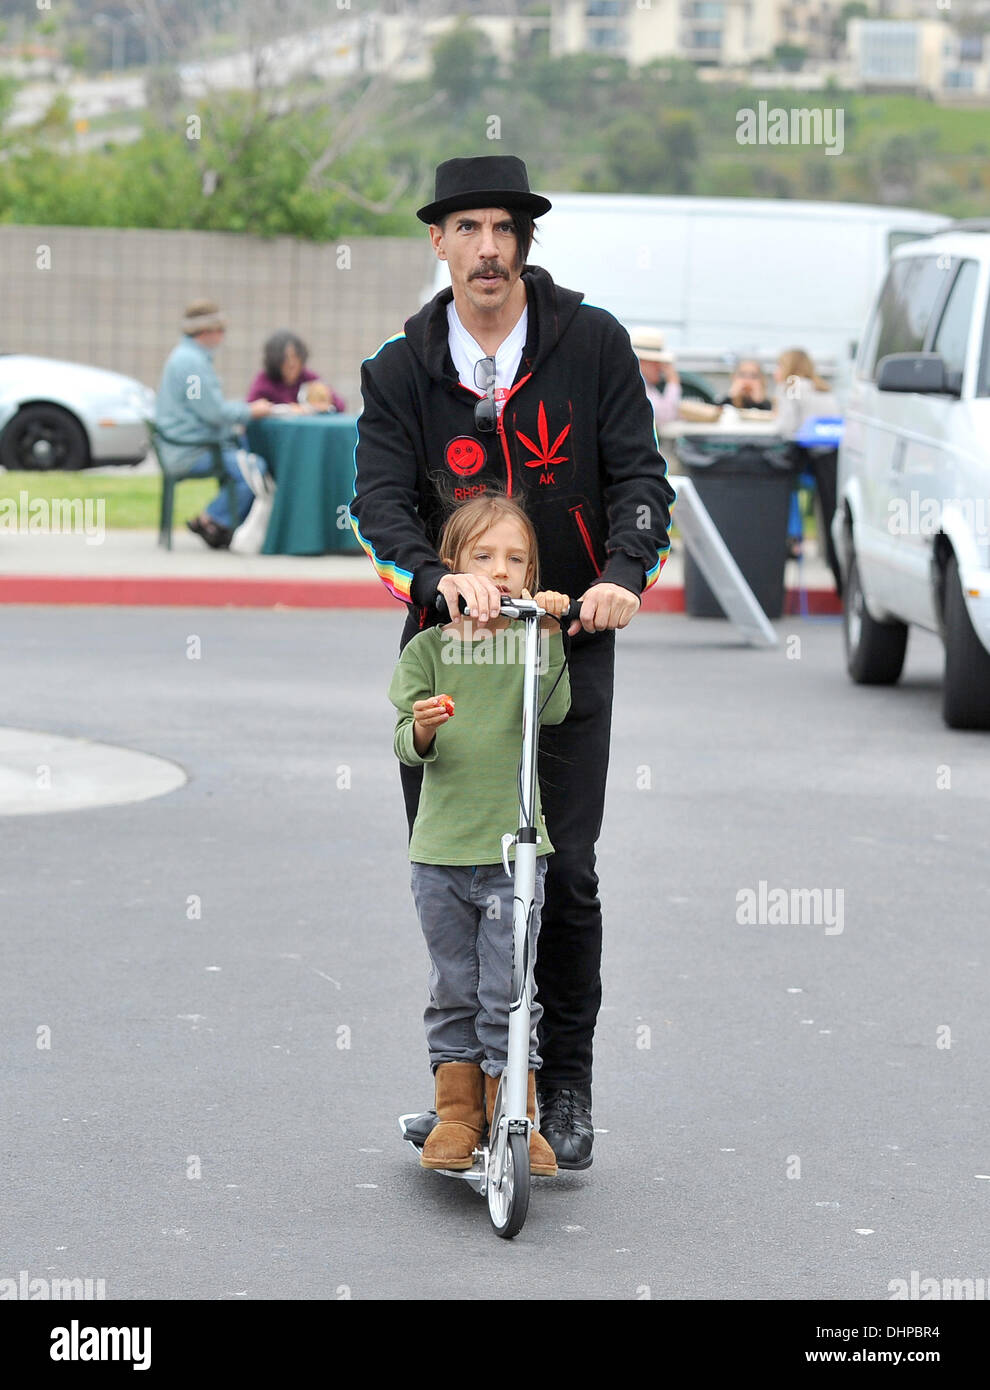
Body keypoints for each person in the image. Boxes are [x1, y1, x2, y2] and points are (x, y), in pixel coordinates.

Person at [349, 154, 676, 1169]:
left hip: (562, 647)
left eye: (504, 229)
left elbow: (644, 485)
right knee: (457, 878)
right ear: (438, 241)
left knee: (562, 874)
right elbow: (378, 508)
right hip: (451, 656)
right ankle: (467, 1089)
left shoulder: (593, 343)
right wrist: (431, 579)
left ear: (525, 243)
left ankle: (558, 1082)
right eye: (468, 228)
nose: (488, 248)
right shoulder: (399, 369)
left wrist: (622, 575)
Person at [388, 491, 571, 1177]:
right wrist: (423, 727)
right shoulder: (428, 649)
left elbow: (555, 708)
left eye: (516, 560)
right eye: (484, 556)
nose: (500, 570)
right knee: (453, 987)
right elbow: (405, 743)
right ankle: (459, 1114)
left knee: (511, 989)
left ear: (531, 574)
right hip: (439, 852)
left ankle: (514, 1114)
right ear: (452, 568)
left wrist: (548, 631)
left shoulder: (529, 643)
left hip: (513, 853)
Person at [154, 299, 272, 549]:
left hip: (183, 446)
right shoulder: (192, 365)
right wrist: (251, 411)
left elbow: (205, 407)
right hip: (190, 451)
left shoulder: (185, 358)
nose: (223, 336)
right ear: (206, 331)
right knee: (255, 468)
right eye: (221, 329)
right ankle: (212, 519)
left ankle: (218, 522)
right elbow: (213, 413)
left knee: (246, 455)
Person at [773, 348, 841, 565]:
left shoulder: (791, 386)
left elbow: (786, 427)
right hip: (832, 455)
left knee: (781, 483)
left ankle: (792, 539)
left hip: (808, 457)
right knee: (830, 512)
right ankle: (834, 559)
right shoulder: (822, 388)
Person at [246, 330, 346, 413]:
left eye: (295, 357)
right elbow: (249, 409)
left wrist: (323, 404)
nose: (292, 363)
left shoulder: (308, 378)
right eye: (285, 358)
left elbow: (340, 405)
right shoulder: (265, 380)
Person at [631, 327, 681, 428]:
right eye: (656, 362)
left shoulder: (646, 386)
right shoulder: (638, 387)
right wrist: (673, 382)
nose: (661, 368)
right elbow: (665, 417)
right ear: (642, 362)